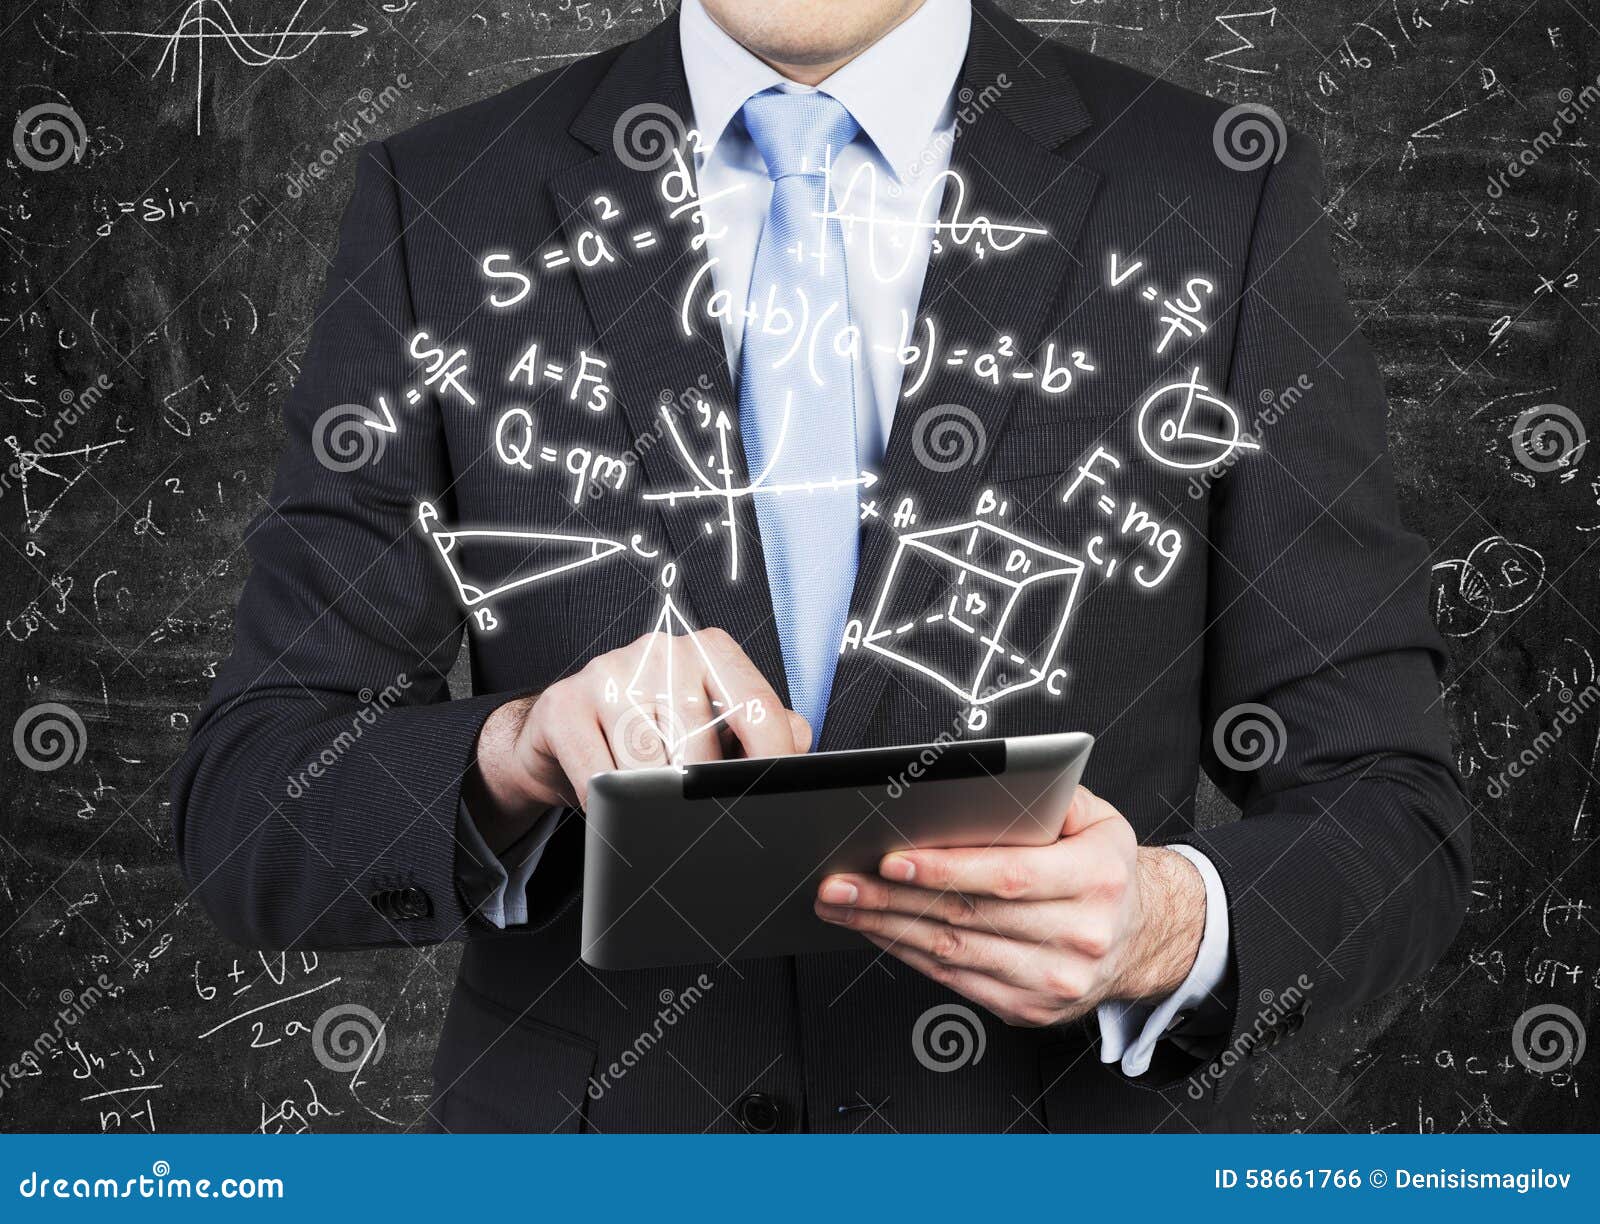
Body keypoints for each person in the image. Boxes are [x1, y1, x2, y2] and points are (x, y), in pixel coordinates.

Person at [173, 0, 1470, 1132]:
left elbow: (1396, 813)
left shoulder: (1206, 192)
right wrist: (513, 748)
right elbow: (252, 807)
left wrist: (1164, 925)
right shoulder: (447, 200)